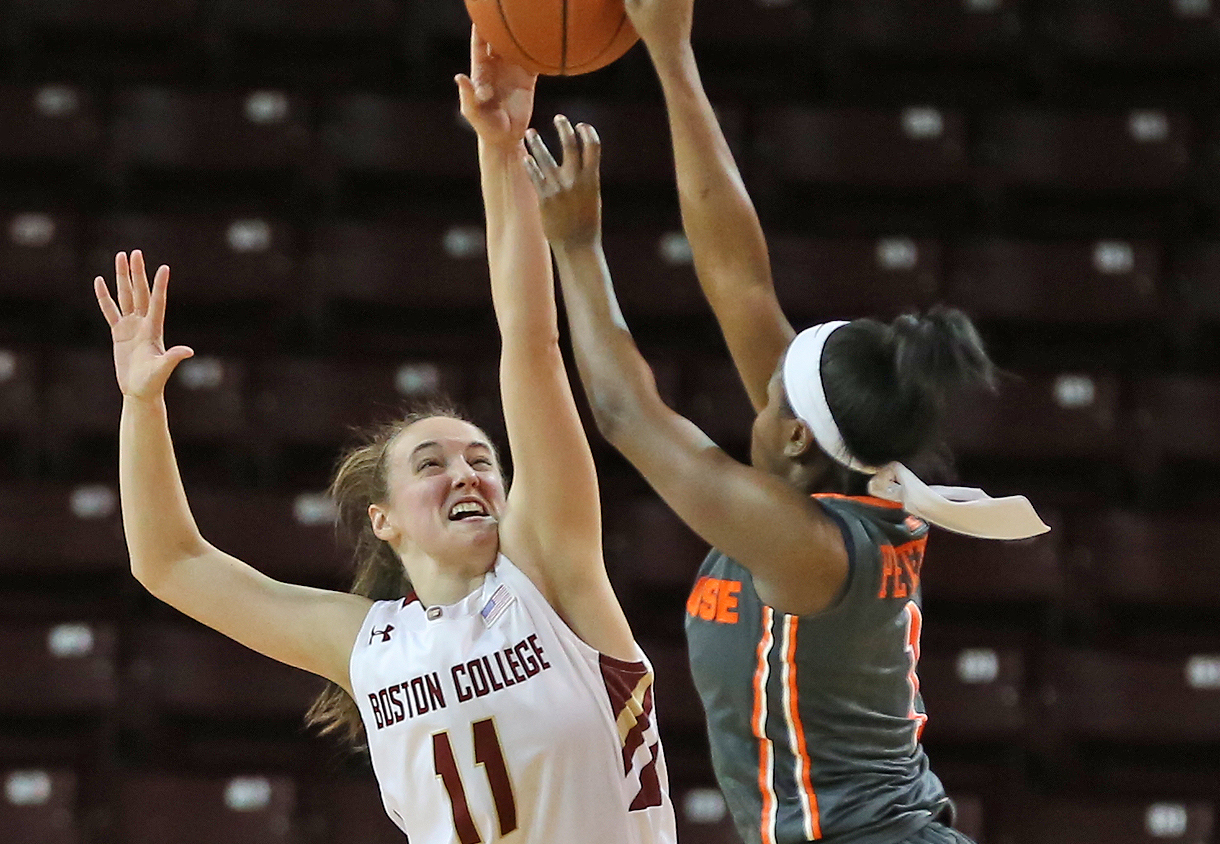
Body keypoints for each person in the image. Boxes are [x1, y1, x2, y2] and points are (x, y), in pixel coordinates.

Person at [93, 33, 674, 844]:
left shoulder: (551, 571)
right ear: (384, 519)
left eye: (481, 458)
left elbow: (529, 340)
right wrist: (140, 406)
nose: (467, 473)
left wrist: (500, 149)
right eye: (431, 465)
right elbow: (170, 563)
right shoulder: (368, 646)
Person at [519, 9, 1048, 844]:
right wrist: (670, 53)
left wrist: (578, 249)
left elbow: (627, 415)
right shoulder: (838, 475)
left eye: (770, 394)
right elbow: (740, 281)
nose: (755, 394)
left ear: (799, 435)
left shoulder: (812, 544)